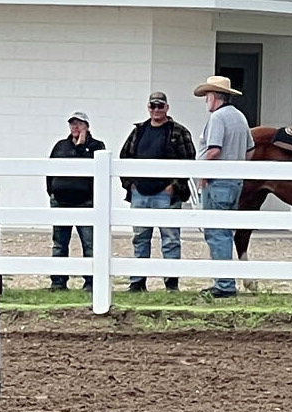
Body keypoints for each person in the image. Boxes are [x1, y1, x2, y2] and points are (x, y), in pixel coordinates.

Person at [119, 91, 195, 292]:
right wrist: (130, 184)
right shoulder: (139, 131)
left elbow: (189, 161)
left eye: (160, 106)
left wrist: (174, 186)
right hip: (140, 193)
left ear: (167, 108)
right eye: (153, 106)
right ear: (148, 107)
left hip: (166, 194)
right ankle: (137, 282)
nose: (156, 110)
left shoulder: (179, 132)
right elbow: (124, 157)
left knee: (170, 239)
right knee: (140, 238)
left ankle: (171, 284)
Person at [193, 76, 254, 298]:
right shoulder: (240, 117)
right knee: (225, 230)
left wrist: (203, 172)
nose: (206, 101)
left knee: (217, 232)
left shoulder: (218, 118)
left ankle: (224, 283)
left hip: (218, 182)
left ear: (214, 96)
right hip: (234, 181)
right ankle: (225, 279)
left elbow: (214, 149)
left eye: (207, 96)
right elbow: (250, 150)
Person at [46, 110, 105, 292]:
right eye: (73, 124)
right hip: (61, 200)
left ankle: (91, 282)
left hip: (85, 202)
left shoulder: (96, 146)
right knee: (60, 243)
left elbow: (96, 169)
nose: (75, 127)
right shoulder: (60, 146)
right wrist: (52, 192)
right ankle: (58, 282)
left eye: (79, 124)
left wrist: (81, 147)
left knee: (89, 244)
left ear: (87, 126)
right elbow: (50, 169)